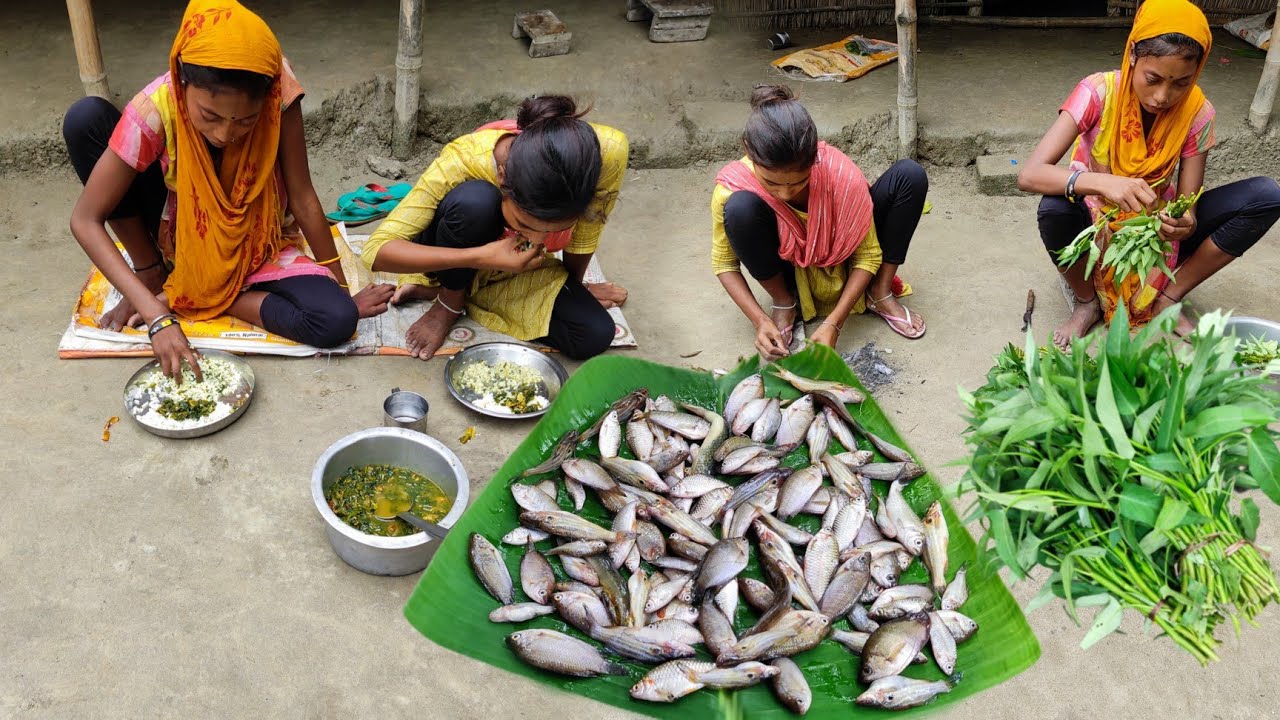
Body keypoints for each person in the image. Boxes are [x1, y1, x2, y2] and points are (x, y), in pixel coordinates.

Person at [66, 0, 393, 381]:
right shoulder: (158, 107)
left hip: (254, 246)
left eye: (246, 121)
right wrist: (155, 315)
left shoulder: (277, 89)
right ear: (182, 82)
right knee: (86, 119)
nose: (225, 134)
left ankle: (210, 295)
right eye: (210, 116)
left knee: (336, 320)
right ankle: (154, 275)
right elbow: (85, 219)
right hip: (177, 235)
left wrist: (341, 289)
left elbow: (302, 196)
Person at [1018, 0, 1280, 345]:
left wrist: (1184, 222)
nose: (1162, 96)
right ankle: (1086, 302)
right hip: (1095, 223)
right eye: (1152, 79)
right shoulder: (1099, 92)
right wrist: (1104, 183)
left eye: (1181, 83)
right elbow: (1030, 175)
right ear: (1131, 57)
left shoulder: (1197, 113)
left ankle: (1167, 298)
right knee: (1054, 208)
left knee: (1266, 196)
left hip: (1153, 230)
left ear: (1197, 72)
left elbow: (1187, 206)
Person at [362, 96, 628, 361]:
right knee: (476, 201)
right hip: (456, 241)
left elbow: (588, 230)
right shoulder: (465, 157)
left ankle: (468, 290)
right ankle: (449, 300)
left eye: (553, 230)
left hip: (503, 265)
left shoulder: (607, 153)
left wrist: (575, 285)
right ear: (502, 175)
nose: (535, 240)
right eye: (524, 225)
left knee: (592, 335)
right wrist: (482, 257)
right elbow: (376, 252)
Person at [711, 85, 929, 361]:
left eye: (800, 182)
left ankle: (879, 292)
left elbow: (868, 253)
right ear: (748, 152)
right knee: (740, 209)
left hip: (847, 259)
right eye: (772, 184)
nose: (786, 193)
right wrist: (759, 320)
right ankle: (784, 302)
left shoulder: (838, 174)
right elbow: (724, 264)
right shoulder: (733, 185)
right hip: (788, 268)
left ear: (815, 157)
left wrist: (833, 324)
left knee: (910, 174)